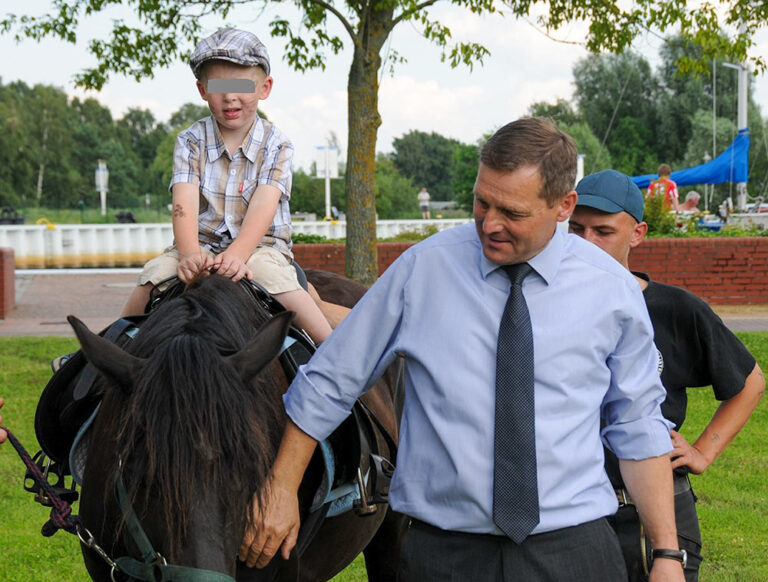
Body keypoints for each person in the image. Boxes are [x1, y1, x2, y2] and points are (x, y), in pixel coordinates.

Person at [239, 118, 686, 581]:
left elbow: (637, 424)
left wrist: (667, 554)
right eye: (481, 202)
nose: (490, 224)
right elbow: (331, 378)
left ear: (563, 207)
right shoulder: (423, 271)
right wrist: (281, 485)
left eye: (511, 213)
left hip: (573, 552)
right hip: (443, 556)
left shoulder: (611, 290)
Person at [569, 169, 765, 582]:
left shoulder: (675, 309)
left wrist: (703, 451)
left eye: (603, 231)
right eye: (575, 228)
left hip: (655, 512)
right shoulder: (546, 306)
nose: (586, 243)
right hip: (572, 513)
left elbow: (750, 381)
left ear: (637, 233)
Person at [120, 28, 332, 344]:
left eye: (242, 86)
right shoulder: (190, 141)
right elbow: (184, 202)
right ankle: (109, 354)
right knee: (152, 279)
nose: (230, 97)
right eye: (219, 87)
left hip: (259, 247)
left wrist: (238, 253)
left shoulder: (277, 144)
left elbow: (265, 202)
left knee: (279, 285)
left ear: (265, 88)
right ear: (203, 90)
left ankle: (334, 352)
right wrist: (190, 254)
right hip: (200, 243)